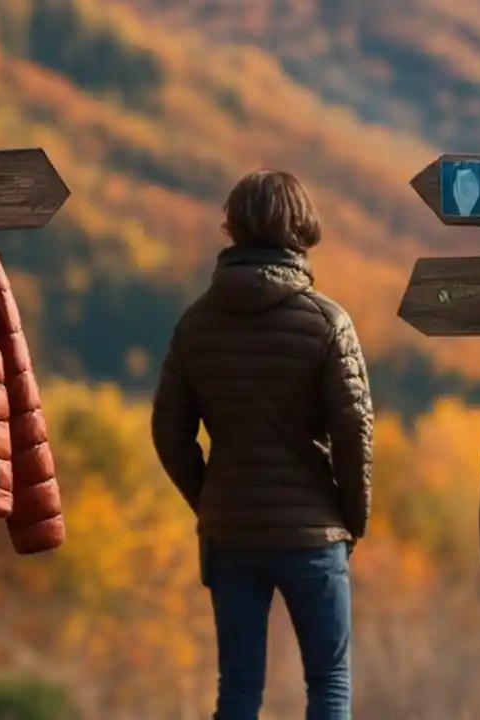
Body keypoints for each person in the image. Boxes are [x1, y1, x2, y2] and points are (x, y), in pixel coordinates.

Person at [151, 169, 375, 719]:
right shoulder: (327, 322)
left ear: (233, 227)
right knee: (329, 683)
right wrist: (350, 516)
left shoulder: (194, 324)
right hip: (313, 532)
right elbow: (354, 431)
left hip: (231, 533)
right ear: (301, 227)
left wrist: (212, 501)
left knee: (238, 688)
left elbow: (169, 432)